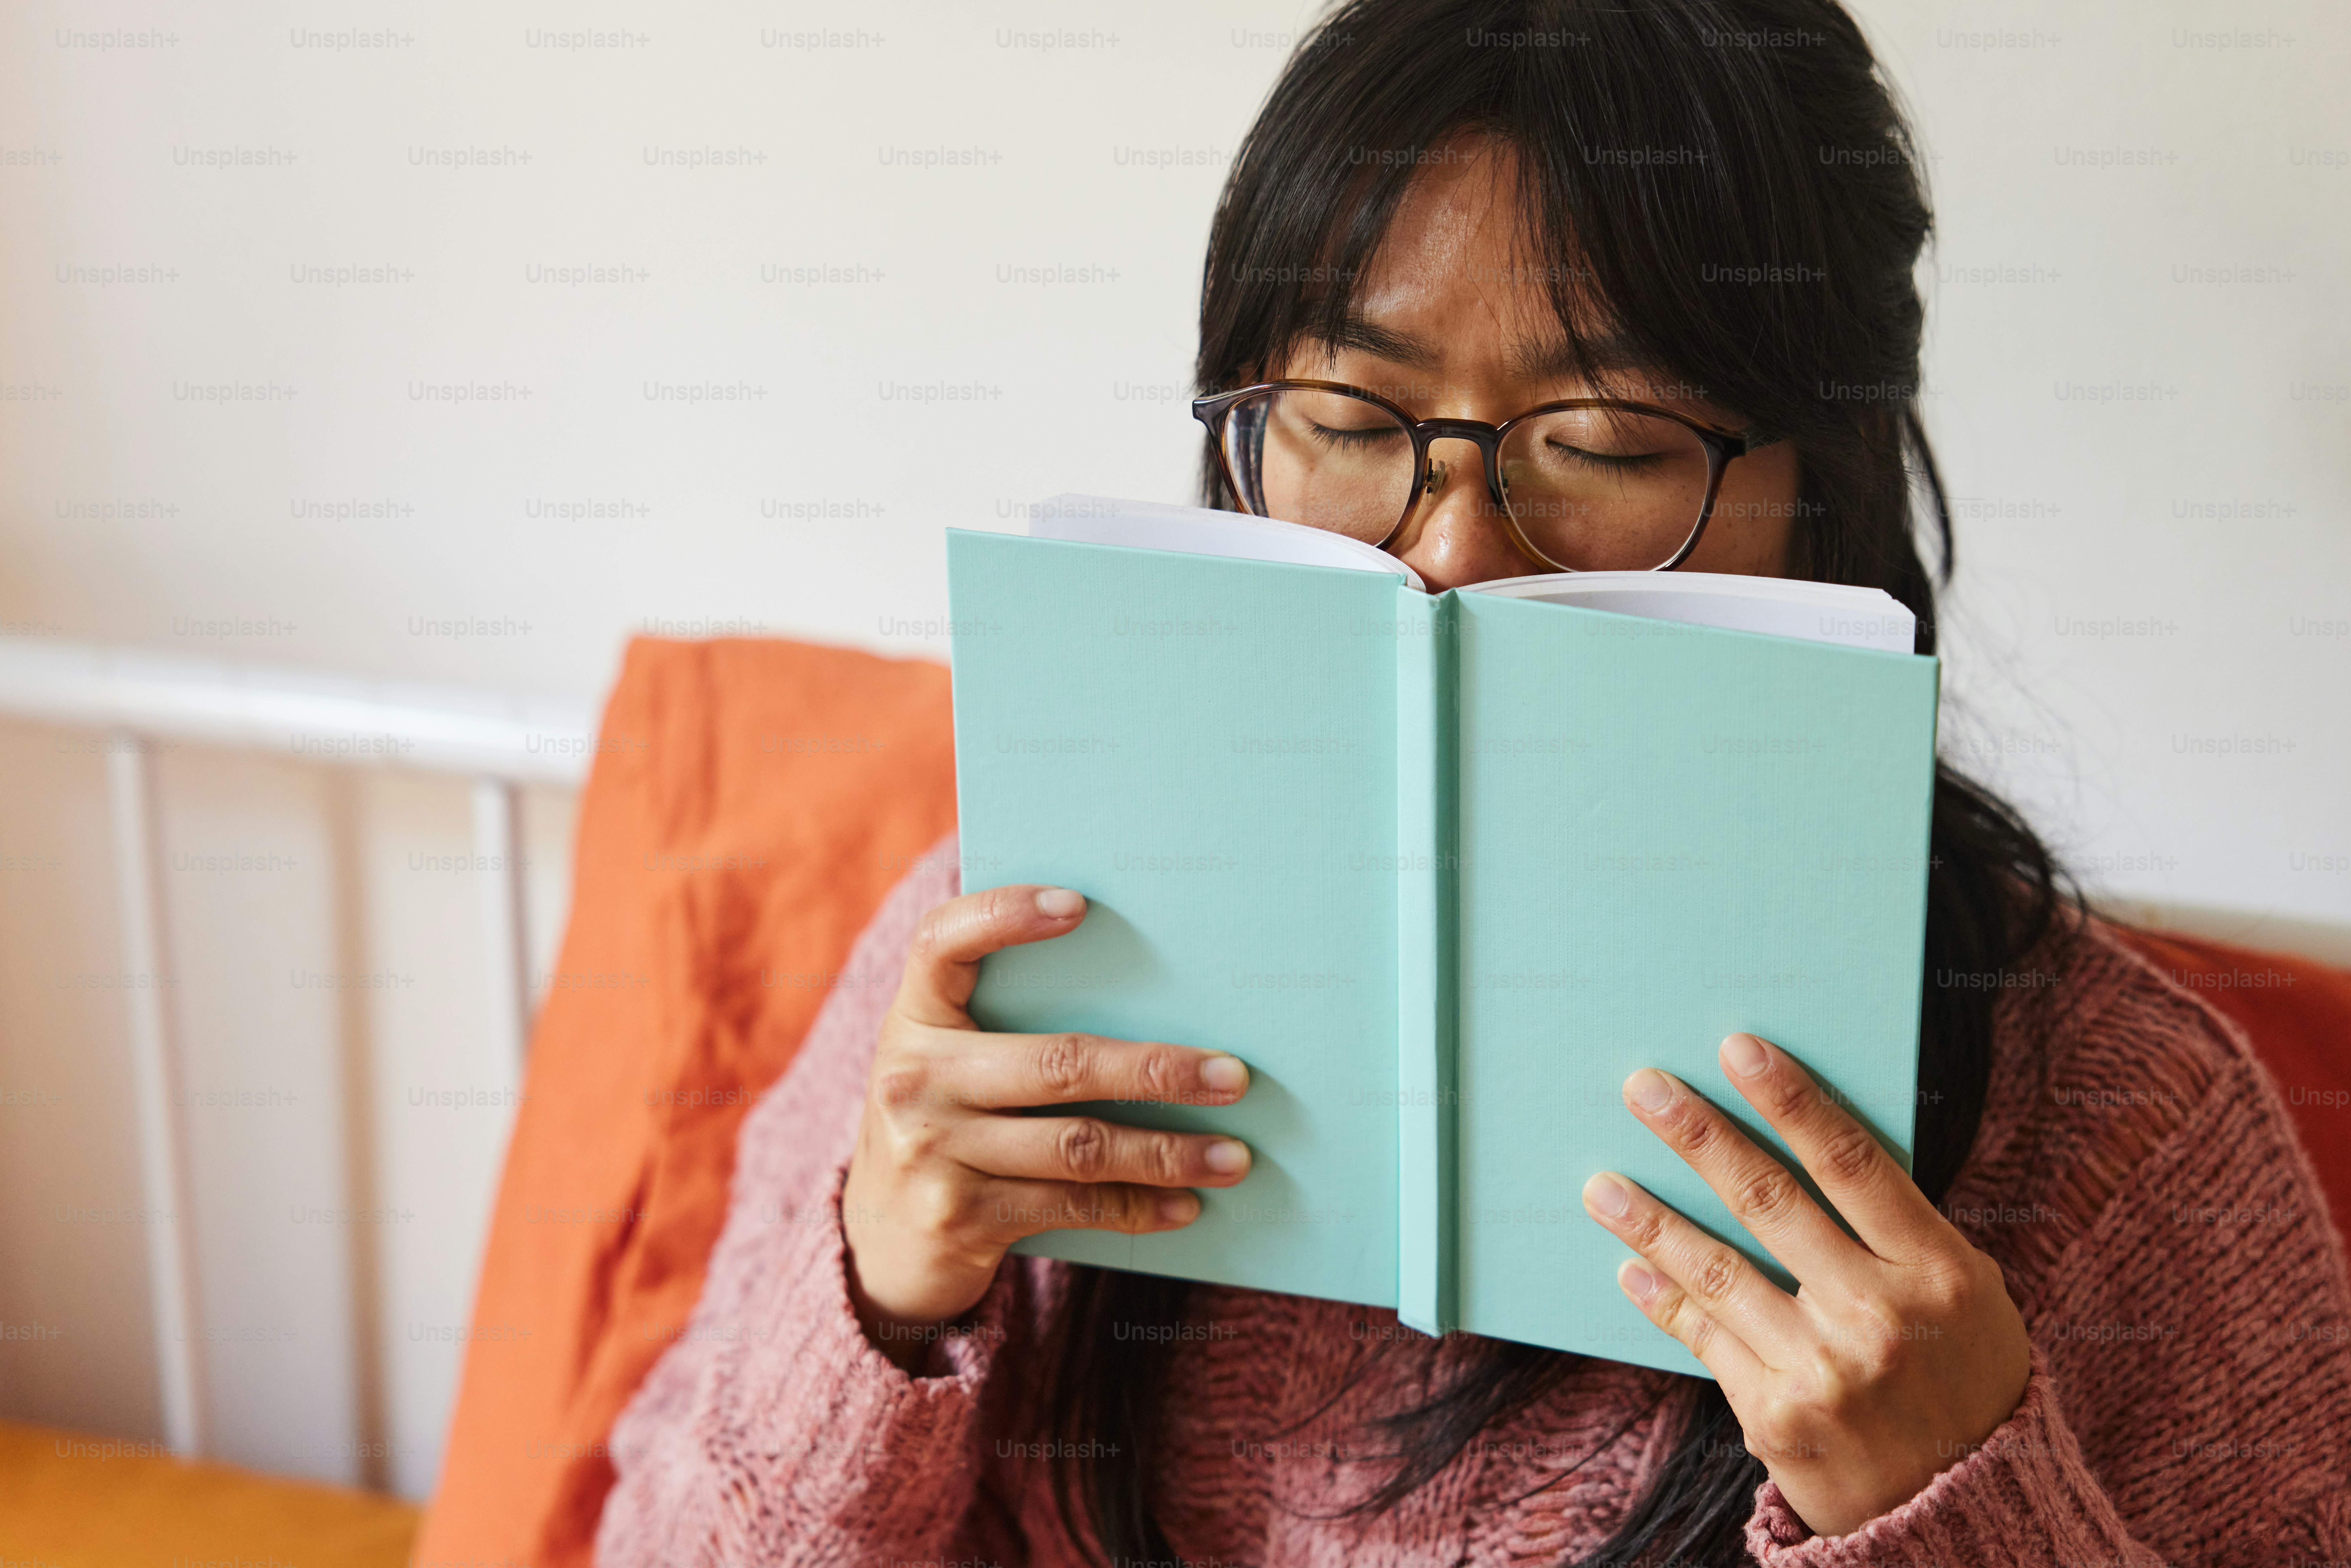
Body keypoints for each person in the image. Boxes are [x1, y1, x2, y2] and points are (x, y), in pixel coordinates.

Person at [596, 2, 2351, 1562]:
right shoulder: (1008, 955)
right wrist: (879, 1299)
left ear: (1829, 485)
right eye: (1348, 422)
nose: (1446, 554)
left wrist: (1956, 1504)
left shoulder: (2124, 1138)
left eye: (1605, 445)